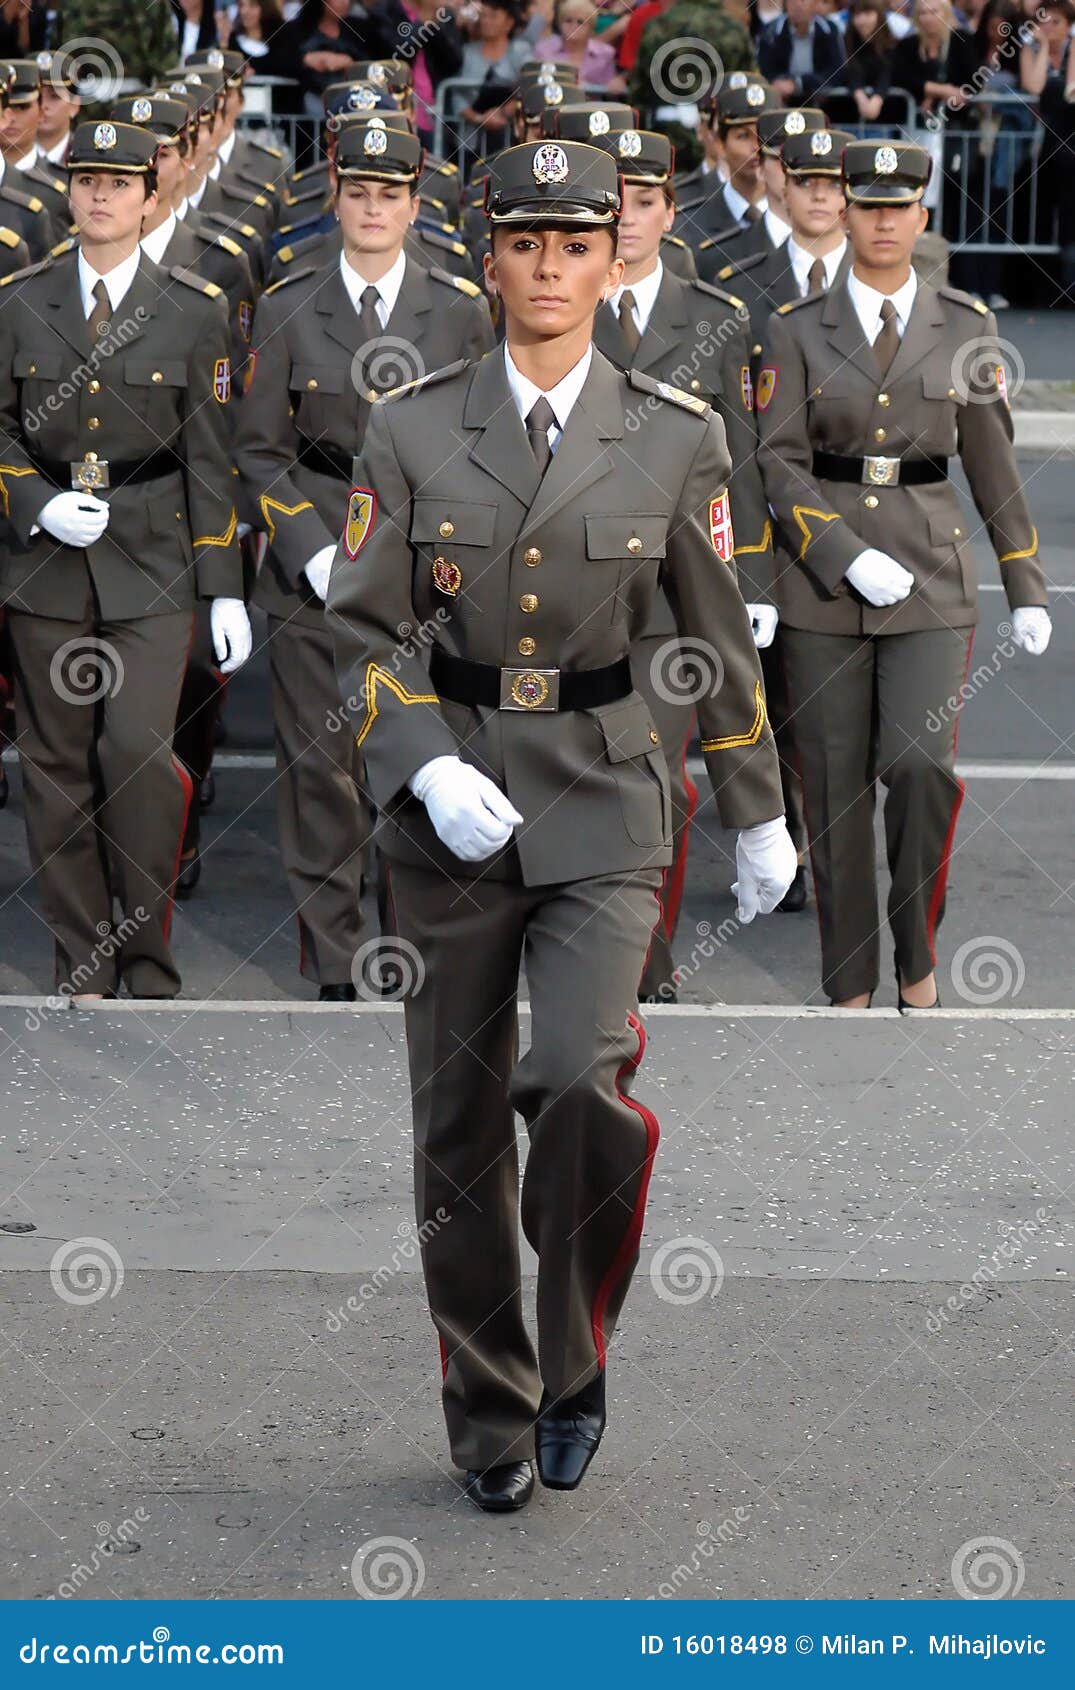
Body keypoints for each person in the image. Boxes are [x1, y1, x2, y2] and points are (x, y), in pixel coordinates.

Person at [326, 136, 795, 1511]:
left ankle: (572, 1351)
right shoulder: (410, 424)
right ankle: (487, 1410)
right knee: (457, 1128)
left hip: (605, 795)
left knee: (580, 1079)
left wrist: (756, 809)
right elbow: (353, 639)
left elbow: (711, 639)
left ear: (611, 254)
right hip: (452, 808)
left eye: (574, 243)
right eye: (524, 243)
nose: (548, 267)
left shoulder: (671, 428)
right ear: (491, 257)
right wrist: (413, 760)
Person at [756, 139, 1050, 1010]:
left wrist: (1024, 582)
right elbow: (775, 462)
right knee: (835, 790)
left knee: (921, 768)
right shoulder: (796, 329)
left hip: (929, 578)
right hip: (821, 582)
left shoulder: (965, 327)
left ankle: (914, 954)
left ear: (921, 218)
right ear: (843, 212)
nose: (882, 221)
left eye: (899, 207)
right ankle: (849, 981)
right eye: (867, 205)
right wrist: (842, 555)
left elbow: (992, 466)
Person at [235, 117, 494, 997]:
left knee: (419, 752)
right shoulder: (288, 304)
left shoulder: (459, 308)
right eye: (359, 192)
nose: (373, 208)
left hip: (418, 566)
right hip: (313, 565)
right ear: (335, 200)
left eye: (391, 194)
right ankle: (340, 956)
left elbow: (479, 441)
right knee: (320, 766)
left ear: (415, 205)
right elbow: (260, 450)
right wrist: (306, 550)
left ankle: (415, 940)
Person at [0, 118, 250, 1000]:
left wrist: (225, 589)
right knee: (57, 761)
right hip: (46, 558)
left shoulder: (193, 307)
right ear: (68, 193)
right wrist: (34, 501)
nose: (99, 195)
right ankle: (84, 955)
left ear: (153, 197)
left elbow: (211, 456)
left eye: (118, 182)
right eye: (85, 180)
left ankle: (143, 952)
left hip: (152, 555)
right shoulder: (18, 299)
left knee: (138, 752)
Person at [588, 124, 783, 991]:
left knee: (653, 780)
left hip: (668, 599)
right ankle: (577, 951)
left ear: (671, 213)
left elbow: (737, 466)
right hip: (566, 586)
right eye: (612, 204)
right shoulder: (549, 302)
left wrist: (751, 581)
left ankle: (643, 958)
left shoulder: (715, 321)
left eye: (643, 203)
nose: (626, 220)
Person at [456, 0, 533, 162]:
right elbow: (457, 95)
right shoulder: (467, 52)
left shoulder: (521, 51)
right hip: (471, 138)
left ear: (509, 22)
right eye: (483, 16)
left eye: (493, 16)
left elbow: (530, 87)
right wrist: (479, 118)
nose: (486, 21)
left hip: (511, 136)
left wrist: (504, 111)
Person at [757, 0, 846, 102]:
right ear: (785, 3)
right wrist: (778, 83)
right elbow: (764, 71)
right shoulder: (771, 31)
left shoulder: (829, 30)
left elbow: (837, 73)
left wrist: (798, 83)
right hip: (781, 99)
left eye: (803, 0)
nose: (798, 4)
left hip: (822, 100)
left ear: (816, 3)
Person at [533, 0, 626, 90]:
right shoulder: (543, 49)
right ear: (560, 23)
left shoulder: (605, 53)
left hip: (593, 105)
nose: (574, 26)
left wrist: (616, 82)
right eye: (568, 20)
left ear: (591, 27)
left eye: (580, 22)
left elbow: (612, 87)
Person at [35, 50, 81, 167]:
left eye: (55, 96)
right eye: (36, 97)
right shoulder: (6, 156)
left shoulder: (86, 157)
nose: (43, 105)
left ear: (74, 105)